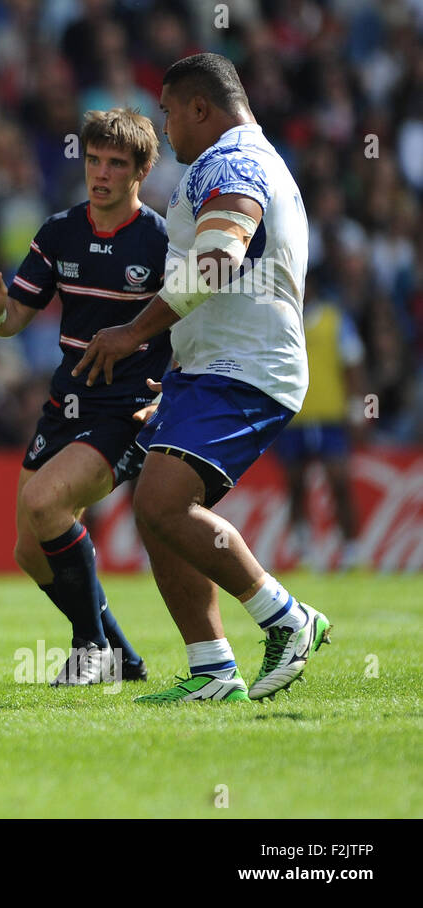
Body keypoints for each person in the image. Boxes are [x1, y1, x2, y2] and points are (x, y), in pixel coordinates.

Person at [75, 53, 332, 703]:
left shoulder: (231, 162)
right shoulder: (251, 160)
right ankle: (214, 669)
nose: (164, 128)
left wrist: (133, 332)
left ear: (199, 107)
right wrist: (178, 363)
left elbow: (218, 259)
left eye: (167, 111)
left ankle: (286, 618)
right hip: (215, 363)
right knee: (157, 512)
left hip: (244, 366)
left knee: (161, 504)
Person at [0, 107, 169, 685]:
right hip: (66, 404)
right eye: (94, 160)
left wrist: (172, 391)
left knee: (46, 504)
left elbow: (192, 325)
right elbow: (13, 320)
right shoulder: (59, 231)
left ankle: (91, 651)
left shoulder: (161, 242)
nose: (100, 173)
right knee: (29, 550)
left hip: (126, 410)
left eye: (115, 163)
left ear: (142, 170)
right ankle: (121, 656)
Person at [273, 294, 366, 570]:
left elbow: (353, 363)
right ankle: (303, 553)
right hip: (292, 418)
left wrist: (359, 409)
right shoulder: (279, 316)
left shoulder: (333, 319)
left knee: (339, 483)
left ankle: (352, 552)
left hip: (330, 418)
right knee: (295, 485)